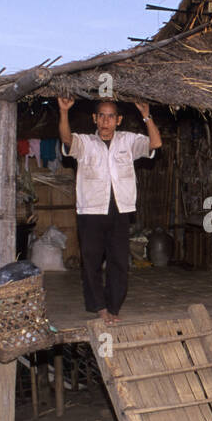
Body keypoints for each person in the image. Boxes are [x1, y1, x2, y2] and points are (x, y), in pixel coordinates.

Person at [58, 96, 161, 324]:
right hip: (91, 211)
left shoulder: (128, 141)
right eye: (101, 116)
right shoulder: (84, 143)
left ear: (119, 120)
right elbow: (66, 139)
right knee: (92, 262)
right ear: (95, 119)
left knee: (119, 262)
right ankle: (99, 306)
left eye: (111, 116)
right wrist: (64, 112)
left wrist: (147, 116)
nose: (106, 120)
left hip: (120, 210)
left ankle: (114, 306)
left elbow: (155, 144)